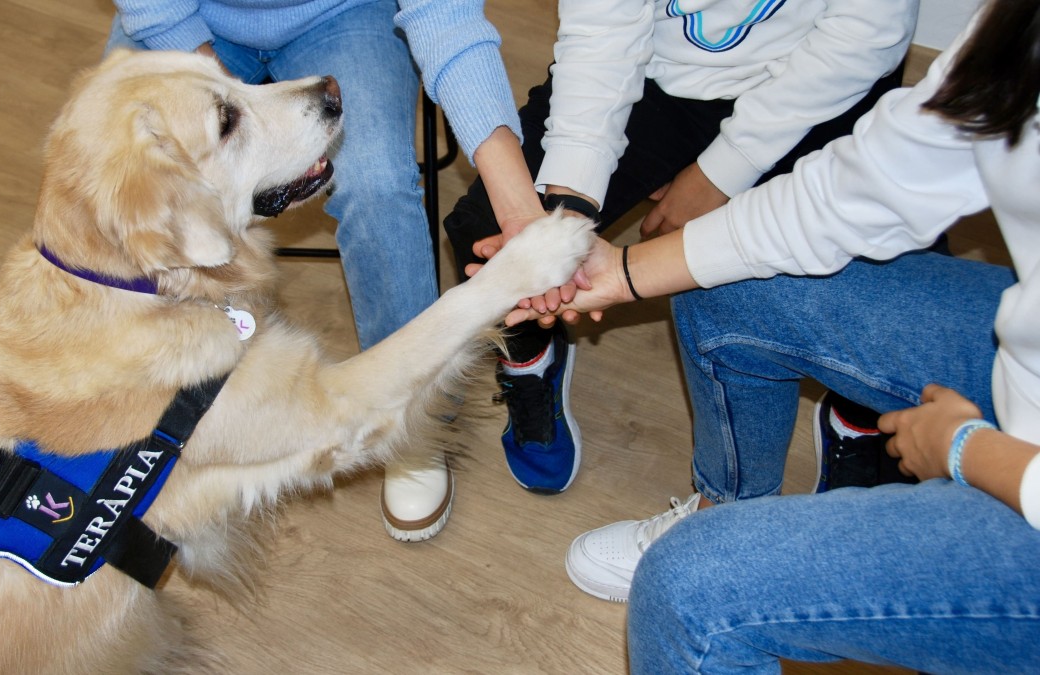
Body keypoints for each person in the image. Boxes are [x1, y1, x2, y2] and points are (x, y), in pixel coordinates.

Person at [487, 0, 1040, 669]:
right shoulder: (1015, 27)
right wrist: (625, 269)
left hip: (1015, 467)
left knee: (686, 594)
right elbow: (863, 190)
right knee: (715, 278)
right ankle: (729, 505)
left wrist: (970, 452)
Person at [103, 0, 547, 542]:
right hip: (181, 19)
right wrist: (239, 112)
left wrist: (520, 210)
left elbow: (444, 15)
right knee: (118, 202)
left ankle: (409, 420)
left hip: (348, 12)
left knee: (377, 185)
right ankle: (139, 413)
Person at [443, 0, 919, 496]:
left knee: (890, 279)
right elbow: (602, 33)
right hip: (656, 69)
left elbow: (865, 34)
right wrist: (568, 215)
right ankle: (531, 361)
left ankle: (859, 421)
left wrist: (723, 169)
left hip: (823, 83)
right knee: (485, 235)